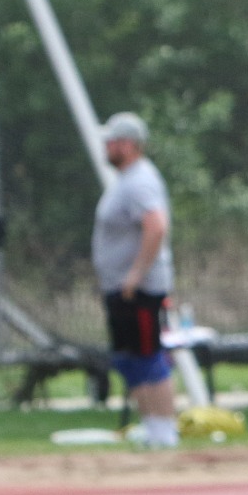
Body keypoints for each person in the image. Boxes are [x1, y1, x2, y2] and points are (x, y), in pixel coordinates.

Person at [92, 112, 177, 448]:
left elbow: (155, 227)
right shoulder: (126, 180)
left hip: (138, 289)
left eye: (111, 141)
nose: (106, 147)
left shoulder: (141, 181)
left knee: (147, 354)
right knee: (127, 358)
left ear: (127, 144)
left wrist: (135, 275)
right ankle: (151, 425)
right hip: (121, 286)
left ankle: (164, 431)